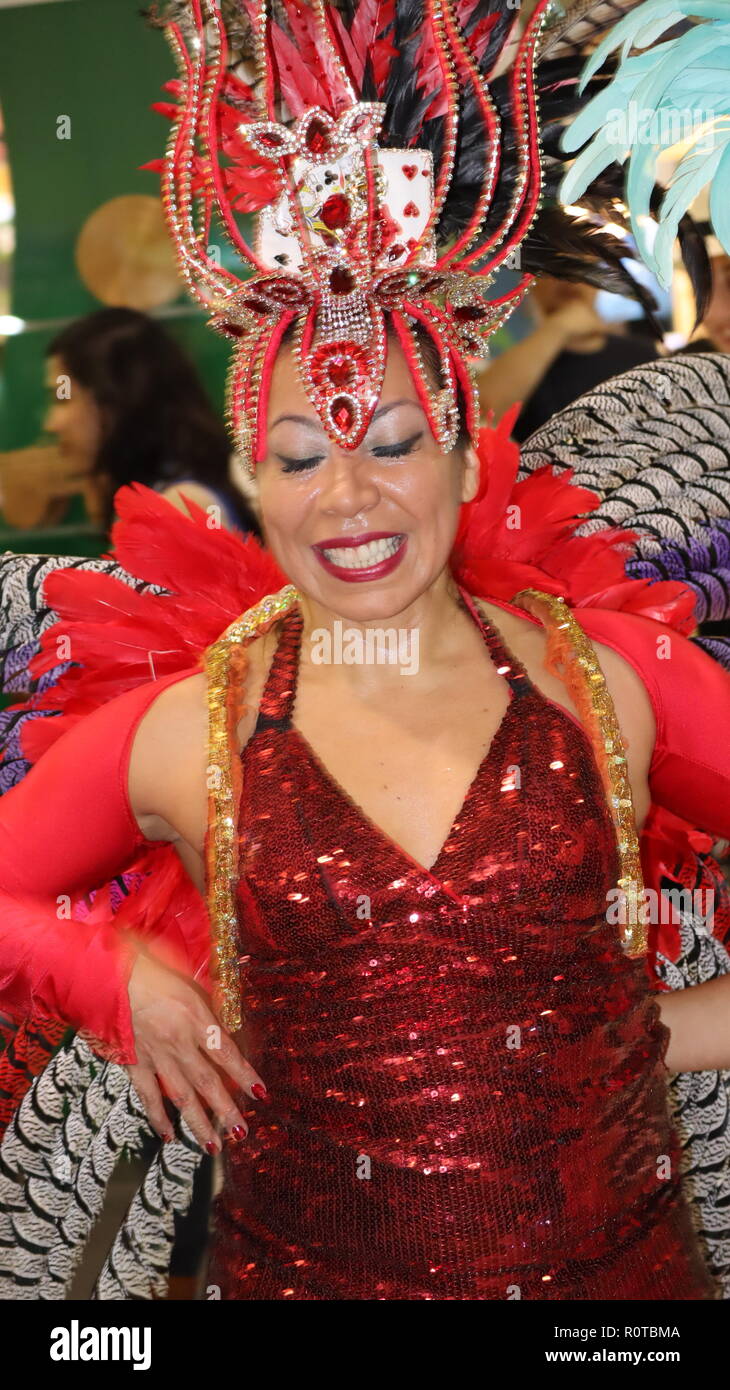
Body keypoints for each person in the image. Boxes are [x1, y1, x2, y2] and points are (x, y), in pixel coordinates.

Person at [0, 0, 729, 1301]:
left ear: (460, 458)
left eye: (390, 442)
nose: (347, 496)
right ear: (253, 483)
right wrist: (113, 972)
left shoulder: (607, 676)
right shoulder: (185, 729)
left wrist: (652, 1033)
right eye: (296, 457)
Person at [42, 307, 261, 536]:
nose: (51, 424)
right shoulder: (168, 496)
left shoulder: (179, 507)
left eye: (62, 398)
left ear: (115, 400)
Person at [478, 276, 659, 442]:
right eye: (553, 270)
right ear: (534, 284)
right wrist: (560, 327)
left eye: (578, 266)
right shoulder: (520, 365)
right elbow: (481, 412)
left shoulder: (643, 355)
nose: (568, 279)